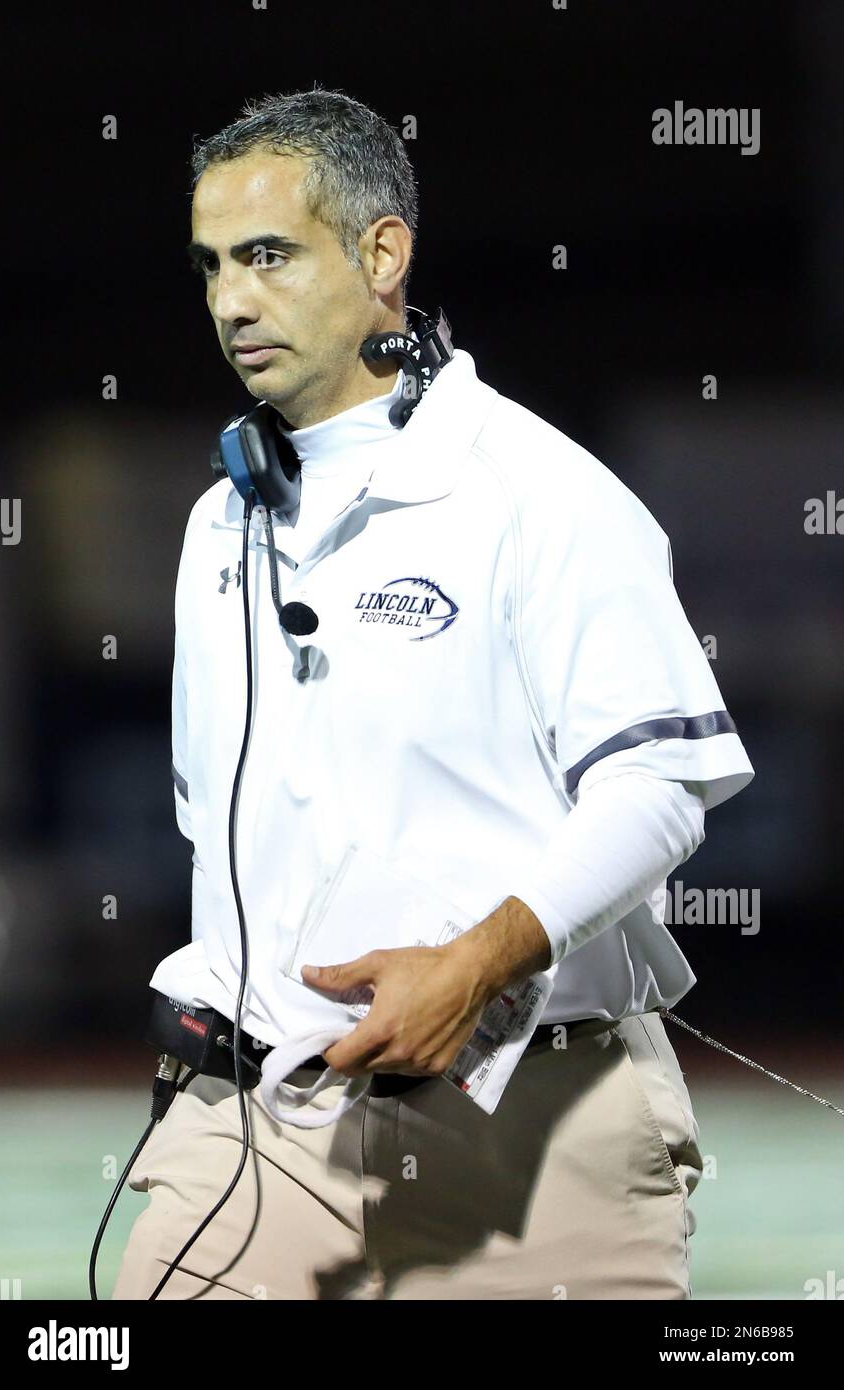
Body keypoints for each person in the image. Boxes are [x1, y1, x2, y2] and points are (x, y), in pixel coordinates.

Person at [112, 87, 754, 1301]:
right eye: (209, 267)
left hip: (535, 1131)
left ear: (381, 251)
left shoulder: (541, 494)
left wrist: (472, 961)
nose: (230, 301)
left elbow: (658, 790)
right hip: (262, 1128)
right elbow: (218, 822)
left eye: (266, 256)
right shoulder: (219, 524)